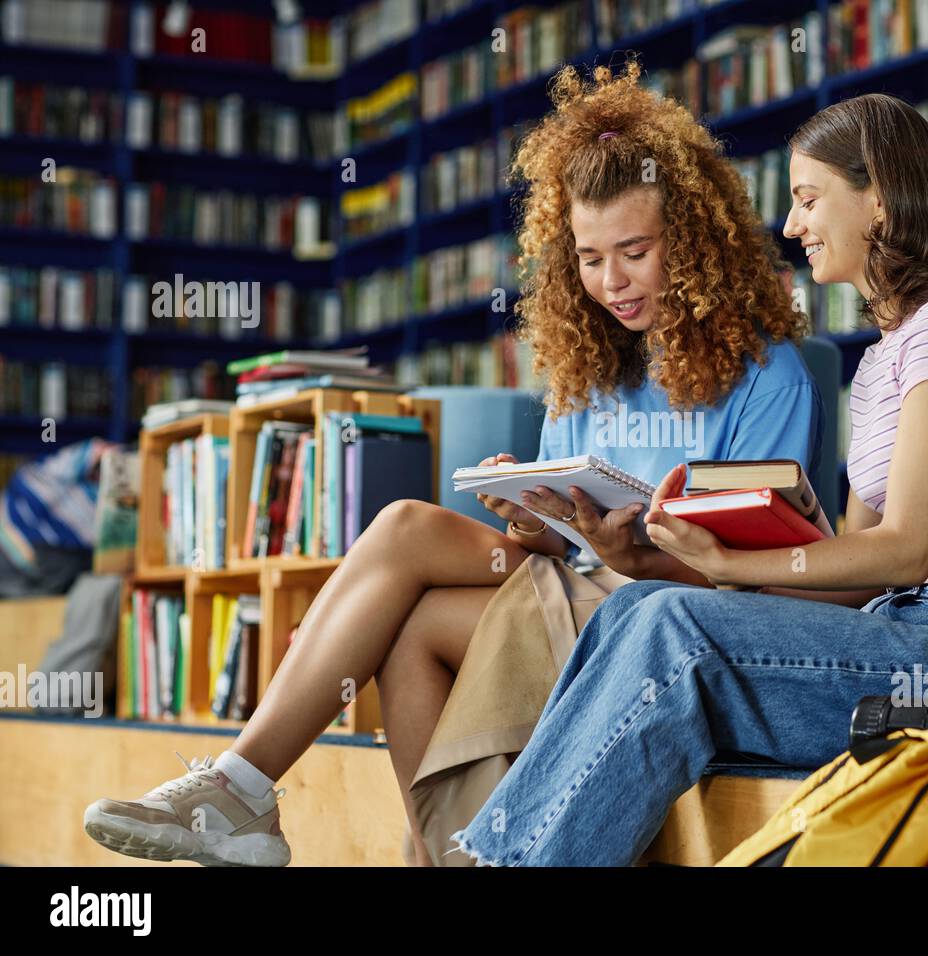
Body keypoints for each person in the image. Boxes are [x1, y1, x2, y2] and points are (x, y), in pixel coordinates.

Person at [82, 61, 825, 867]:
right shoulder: (590, 363)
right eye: (588, 258)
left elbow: (762, 580)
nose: (611, 281)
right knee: (404, 544)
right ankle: (269, 798)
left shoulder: (768, 371)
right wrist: (535, 514)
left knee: (414, 624)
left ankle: (248, 796)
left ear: (690, 239)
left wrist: (634, 553)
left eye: (635, 251)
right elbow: (561, 544)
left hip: (675, 610)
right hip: (578, 581)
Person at [448, 92, 928, 867]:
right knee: (644, 605)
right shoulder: (880, 361)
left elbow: (909, 549)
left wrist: (734, 566)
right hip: (908, 631)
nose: (791, 225)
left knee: (673, 627)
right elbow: (858, 568)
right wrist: (691, 555)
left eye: (809, 199)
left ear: (877, 202)